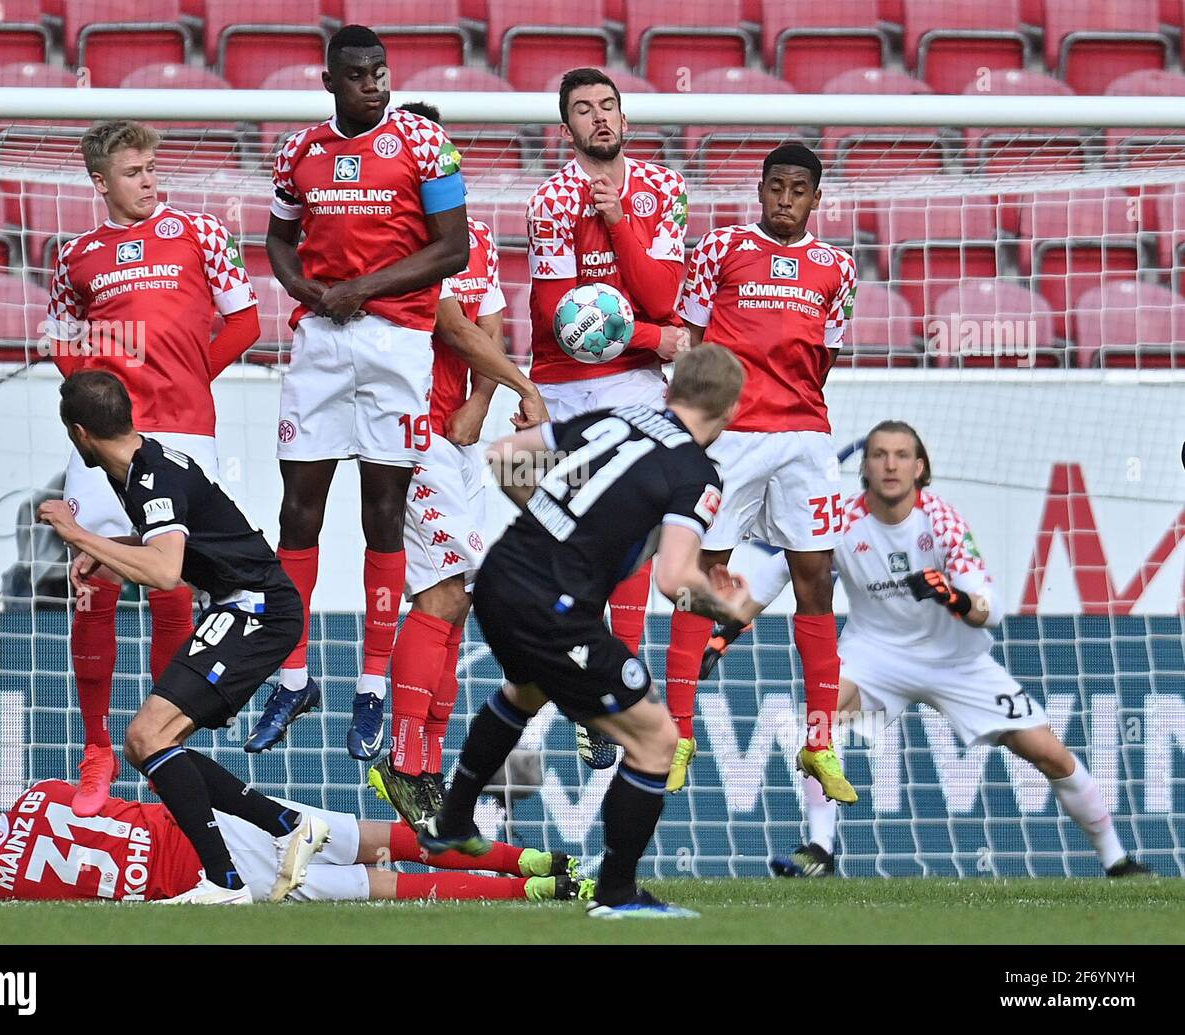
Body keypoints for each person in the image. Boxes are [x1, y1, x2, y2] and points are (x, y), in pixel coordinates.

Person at [248, 27, 542, 753]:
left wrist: (362, 289)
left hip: (398, 343)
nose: (372, 84)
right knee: (297, 508)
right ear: (329, 81)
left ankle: (372, 688)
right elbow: (278, 240)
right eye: (357, 75)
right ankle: (292, 678)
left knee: (384, 511)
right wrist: (306, 290)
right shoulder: (299, 151)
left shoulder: (426, 145)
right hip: (320, 338)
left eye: (380, 72)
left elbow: (455, 249)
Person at [421, 348, 753, 918]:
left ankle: (451, 820)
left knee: (526, 690)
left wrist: (557, 520)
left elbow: (504, 456)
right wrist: (726, 607)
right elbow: (675, 579)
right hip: (554, 608)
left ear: (673, 391)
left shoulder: (617, 418)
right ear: (729, 410)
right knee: (656, 742)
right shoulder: (697, 473)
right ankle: (618, 895)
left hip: (500, 578)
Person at [745, 421, 1152, 880]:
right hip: (874, 653)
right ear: (864, 467)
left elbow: (989, 608)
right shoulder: (842, 520)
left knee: (1050, 754)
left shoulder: (941, 521)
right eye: (879, 455)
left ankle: (1117, 860)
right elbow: (783, 567)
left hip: (956, 660)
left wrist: (951, 596)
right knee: (820, 714)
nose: (890, 464)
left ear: (920, 467)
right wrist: (727, 624)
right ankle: (819, 849)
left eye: (901, 455)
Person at [337, 100, 547, 826]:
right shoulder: (386, 235)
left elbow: (487, 319)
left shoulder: (470, 234)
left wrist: (484, 399)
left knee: (458, 598)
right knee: (440, 595)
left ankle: (423, 763)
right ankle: (407, 763)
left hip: (453, 435)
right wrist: (523, 386)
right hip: (404, 430)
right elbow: (450, 323)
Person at [42, 119, 261, 816]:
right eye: (132, 173)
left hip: (185, 433)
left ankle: (162, 740)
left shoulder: (199, 233)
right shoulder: (75, 254)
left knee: (173, 583)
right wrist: (99, 394)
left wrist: (192, 378)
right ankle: (97, 746)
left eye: (150, 169)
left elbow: (246, 321)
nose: (148, 182)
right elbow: (59, 337)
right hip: (108, 440)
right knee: (92, 574)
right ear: (100, 181)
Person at [38, 372, 314, 903]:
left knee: (146, 739)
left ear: (79, 434)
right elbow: (180, 542)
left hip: (256, 610)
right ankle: (285, 825)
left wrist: (79, 534)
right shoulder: (143, 461)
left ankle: (225, 882)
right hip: (245, 606)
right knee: (156, 744)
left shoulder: (150, 479)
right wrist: (112, 545)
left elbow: (166, 572)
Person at [667, 143, 859, 798]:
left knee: (817, 579)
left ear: (815, 199)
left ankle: (821, 742)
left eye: (798, 190)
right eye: (776, 187)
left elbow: (823, 358)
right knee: (704, 574)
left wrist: (791, 405)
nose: (785, 199)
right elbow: (689, 341)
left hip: (805, 436)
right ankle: (679, 730)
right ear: (760, 189)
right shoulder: (721, 248)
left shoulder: (839, 268)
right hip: (733, 435)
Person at [526, 68, 692, 768]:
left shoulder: (666, 192)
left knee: (632, 542)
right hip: (567, 389)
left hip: (636, 390)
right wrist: (658, 337)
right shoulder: (550, 200)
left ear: (624, 116)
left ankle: (610, 698)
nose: (599, 118)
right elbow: (560, 321)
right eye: (584, 110)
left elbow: (662, 291)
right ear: (566, 128)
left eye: (608, 106)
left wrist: (620, 221)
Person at [0, 780, 590, 904]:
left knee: (378, 885)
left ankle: (534, 888)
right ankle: (531, 856)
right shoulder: (41, 792)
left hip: (214, 884)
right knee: (388, 841)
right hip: (219, 824)